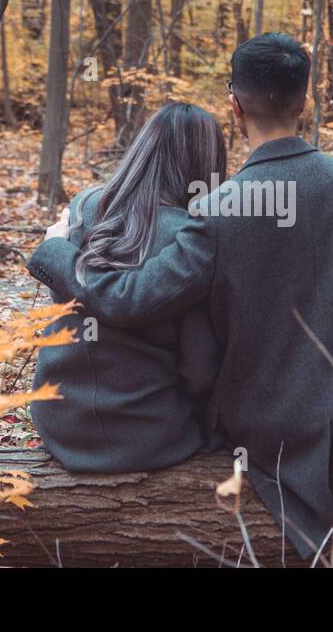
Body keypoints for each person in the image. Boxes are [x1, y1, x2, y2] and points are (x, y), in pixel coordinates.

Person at [28, 33, 333, 560]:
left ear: (234, 105)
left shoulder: (214, 211)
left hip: (269, 423)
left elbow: (132, 300)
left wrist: (57, 252)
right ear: (306, 99)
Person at [28, 102, 227, 473]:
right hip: (146, 435)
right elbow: (199, 368)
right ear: (207, 165)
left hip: (60, 423)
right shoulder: (192, 237)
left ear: (143, 150)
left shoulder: (84, 206)